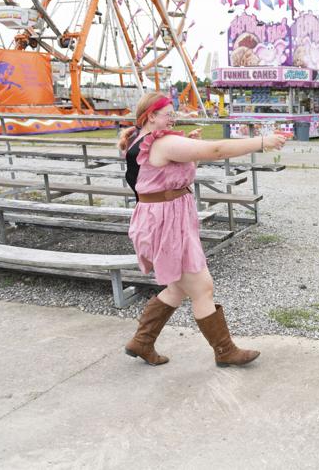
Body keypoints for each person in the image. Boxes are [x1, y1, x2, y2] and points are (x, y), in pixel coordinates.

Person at [120, 92, 287, 368]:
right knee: (202, 287)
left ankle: (142, 341)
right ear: (150, 115)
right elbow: (217, 150)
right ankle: (225, 351)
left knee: (176, 288)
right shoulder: (162, 142)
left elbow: (170, 176)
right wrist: (261, 142)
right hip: (165, 224)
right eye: (167, 112)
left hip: (166, 220)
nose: (173, 117)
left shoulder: (147, 141)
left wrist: (191, 152)